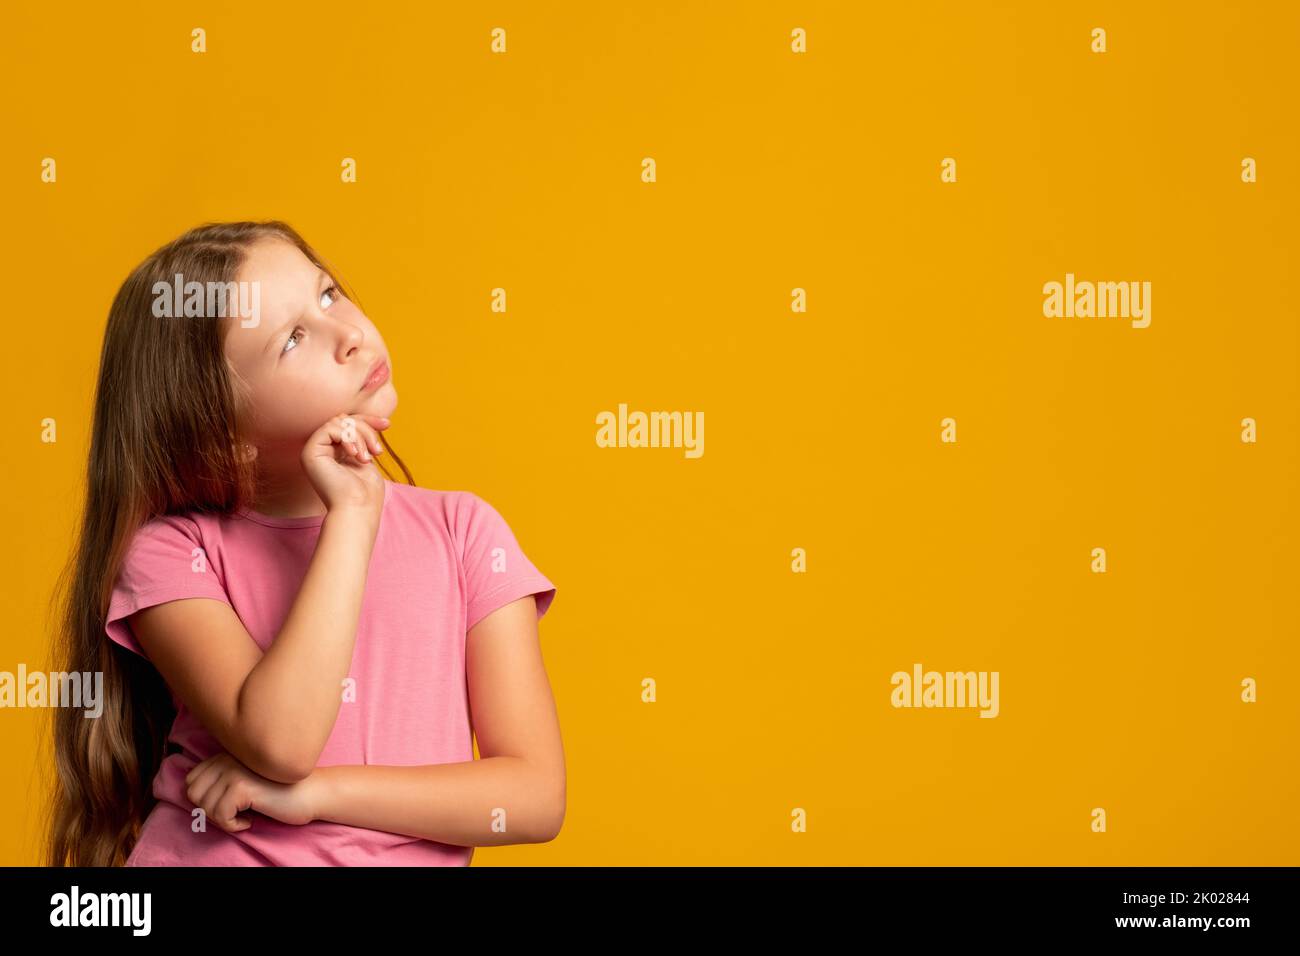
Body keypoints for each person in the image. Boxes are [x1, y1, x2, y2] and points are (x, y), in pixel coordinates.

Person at [44, 220, 562, 866]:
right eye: (293, 339)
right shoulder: (173, 552)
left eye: (327, 294)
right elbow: (281, 741)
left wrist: (320, 794)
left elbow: (534, 796)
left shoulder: (465, 534)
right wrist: (352, 517)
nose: (348, 335)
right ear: (221, 439)